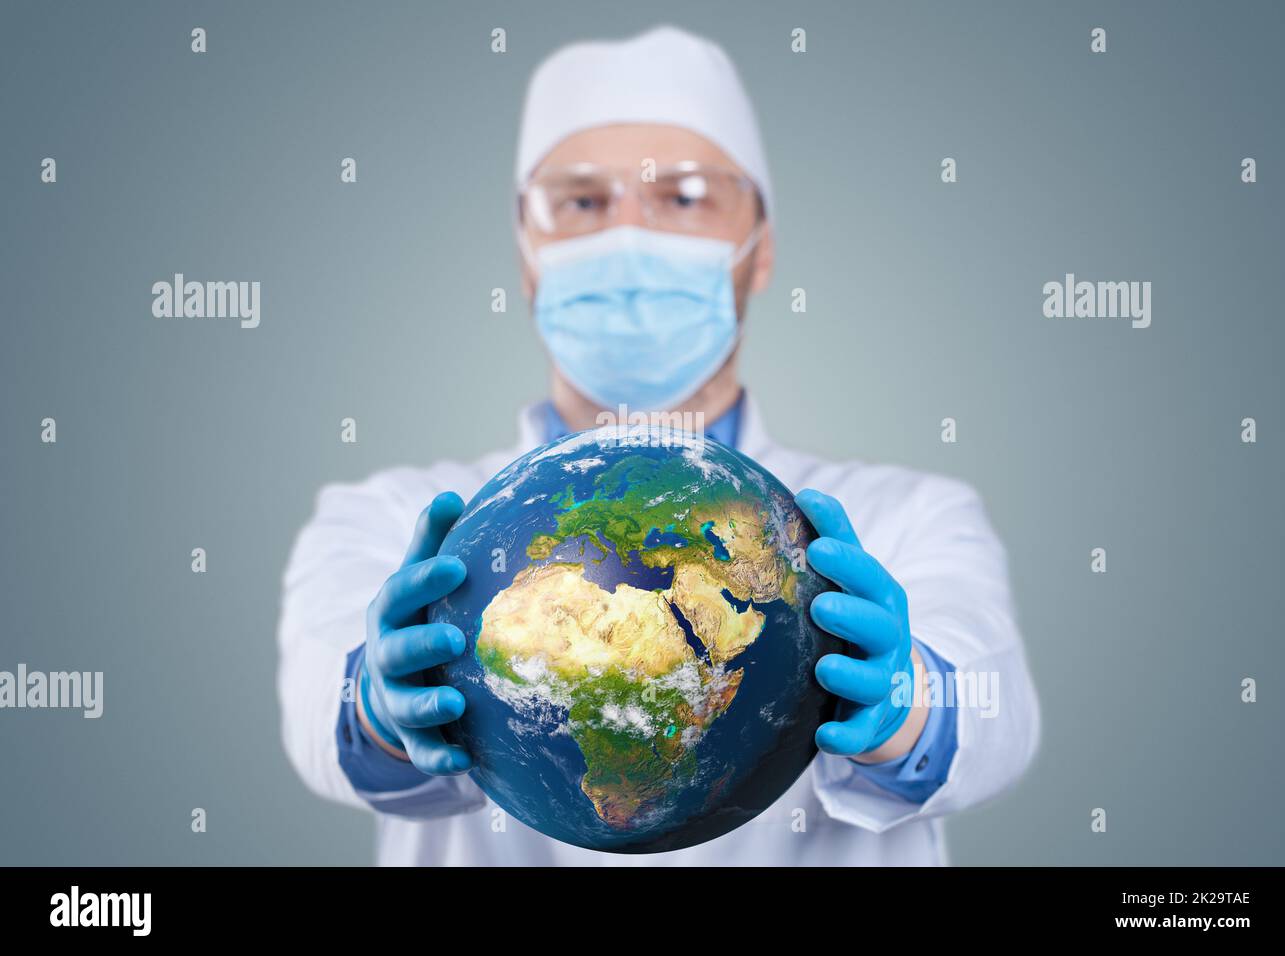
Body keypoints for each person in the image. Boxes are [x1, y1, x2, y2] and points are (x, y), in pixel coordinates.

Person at [277, 25, 1039, 866]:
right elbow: (317, 717)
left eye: (682, 198)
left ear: (761, 249)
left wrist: (914, 708)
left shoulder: (908, 515)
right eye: (581, 202)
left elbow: (1001, 724)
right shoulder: (392, 518)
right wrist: (376, 712)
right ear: (529, 258)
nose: (629, 235)